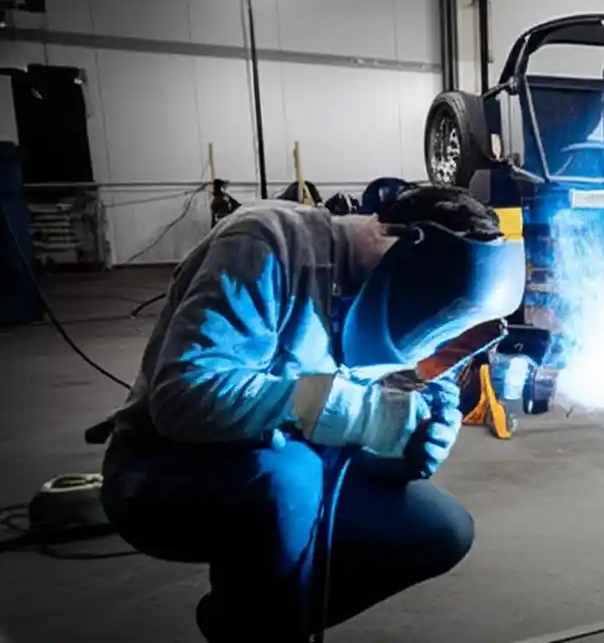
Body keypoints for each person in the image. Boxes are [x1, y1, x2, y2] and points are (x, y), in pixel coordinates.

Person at [98, 184, 525, 641]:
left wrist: (411, 444)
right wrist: (366, 415)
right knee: (289, 475)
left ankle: (247, 624)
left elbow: (410, 391)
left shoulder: (425, 296)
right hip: (163, 471)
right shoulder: (265, 244)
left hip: (299, 466)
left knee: (439, 531)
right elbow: (183, 399)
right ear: (387, 237)